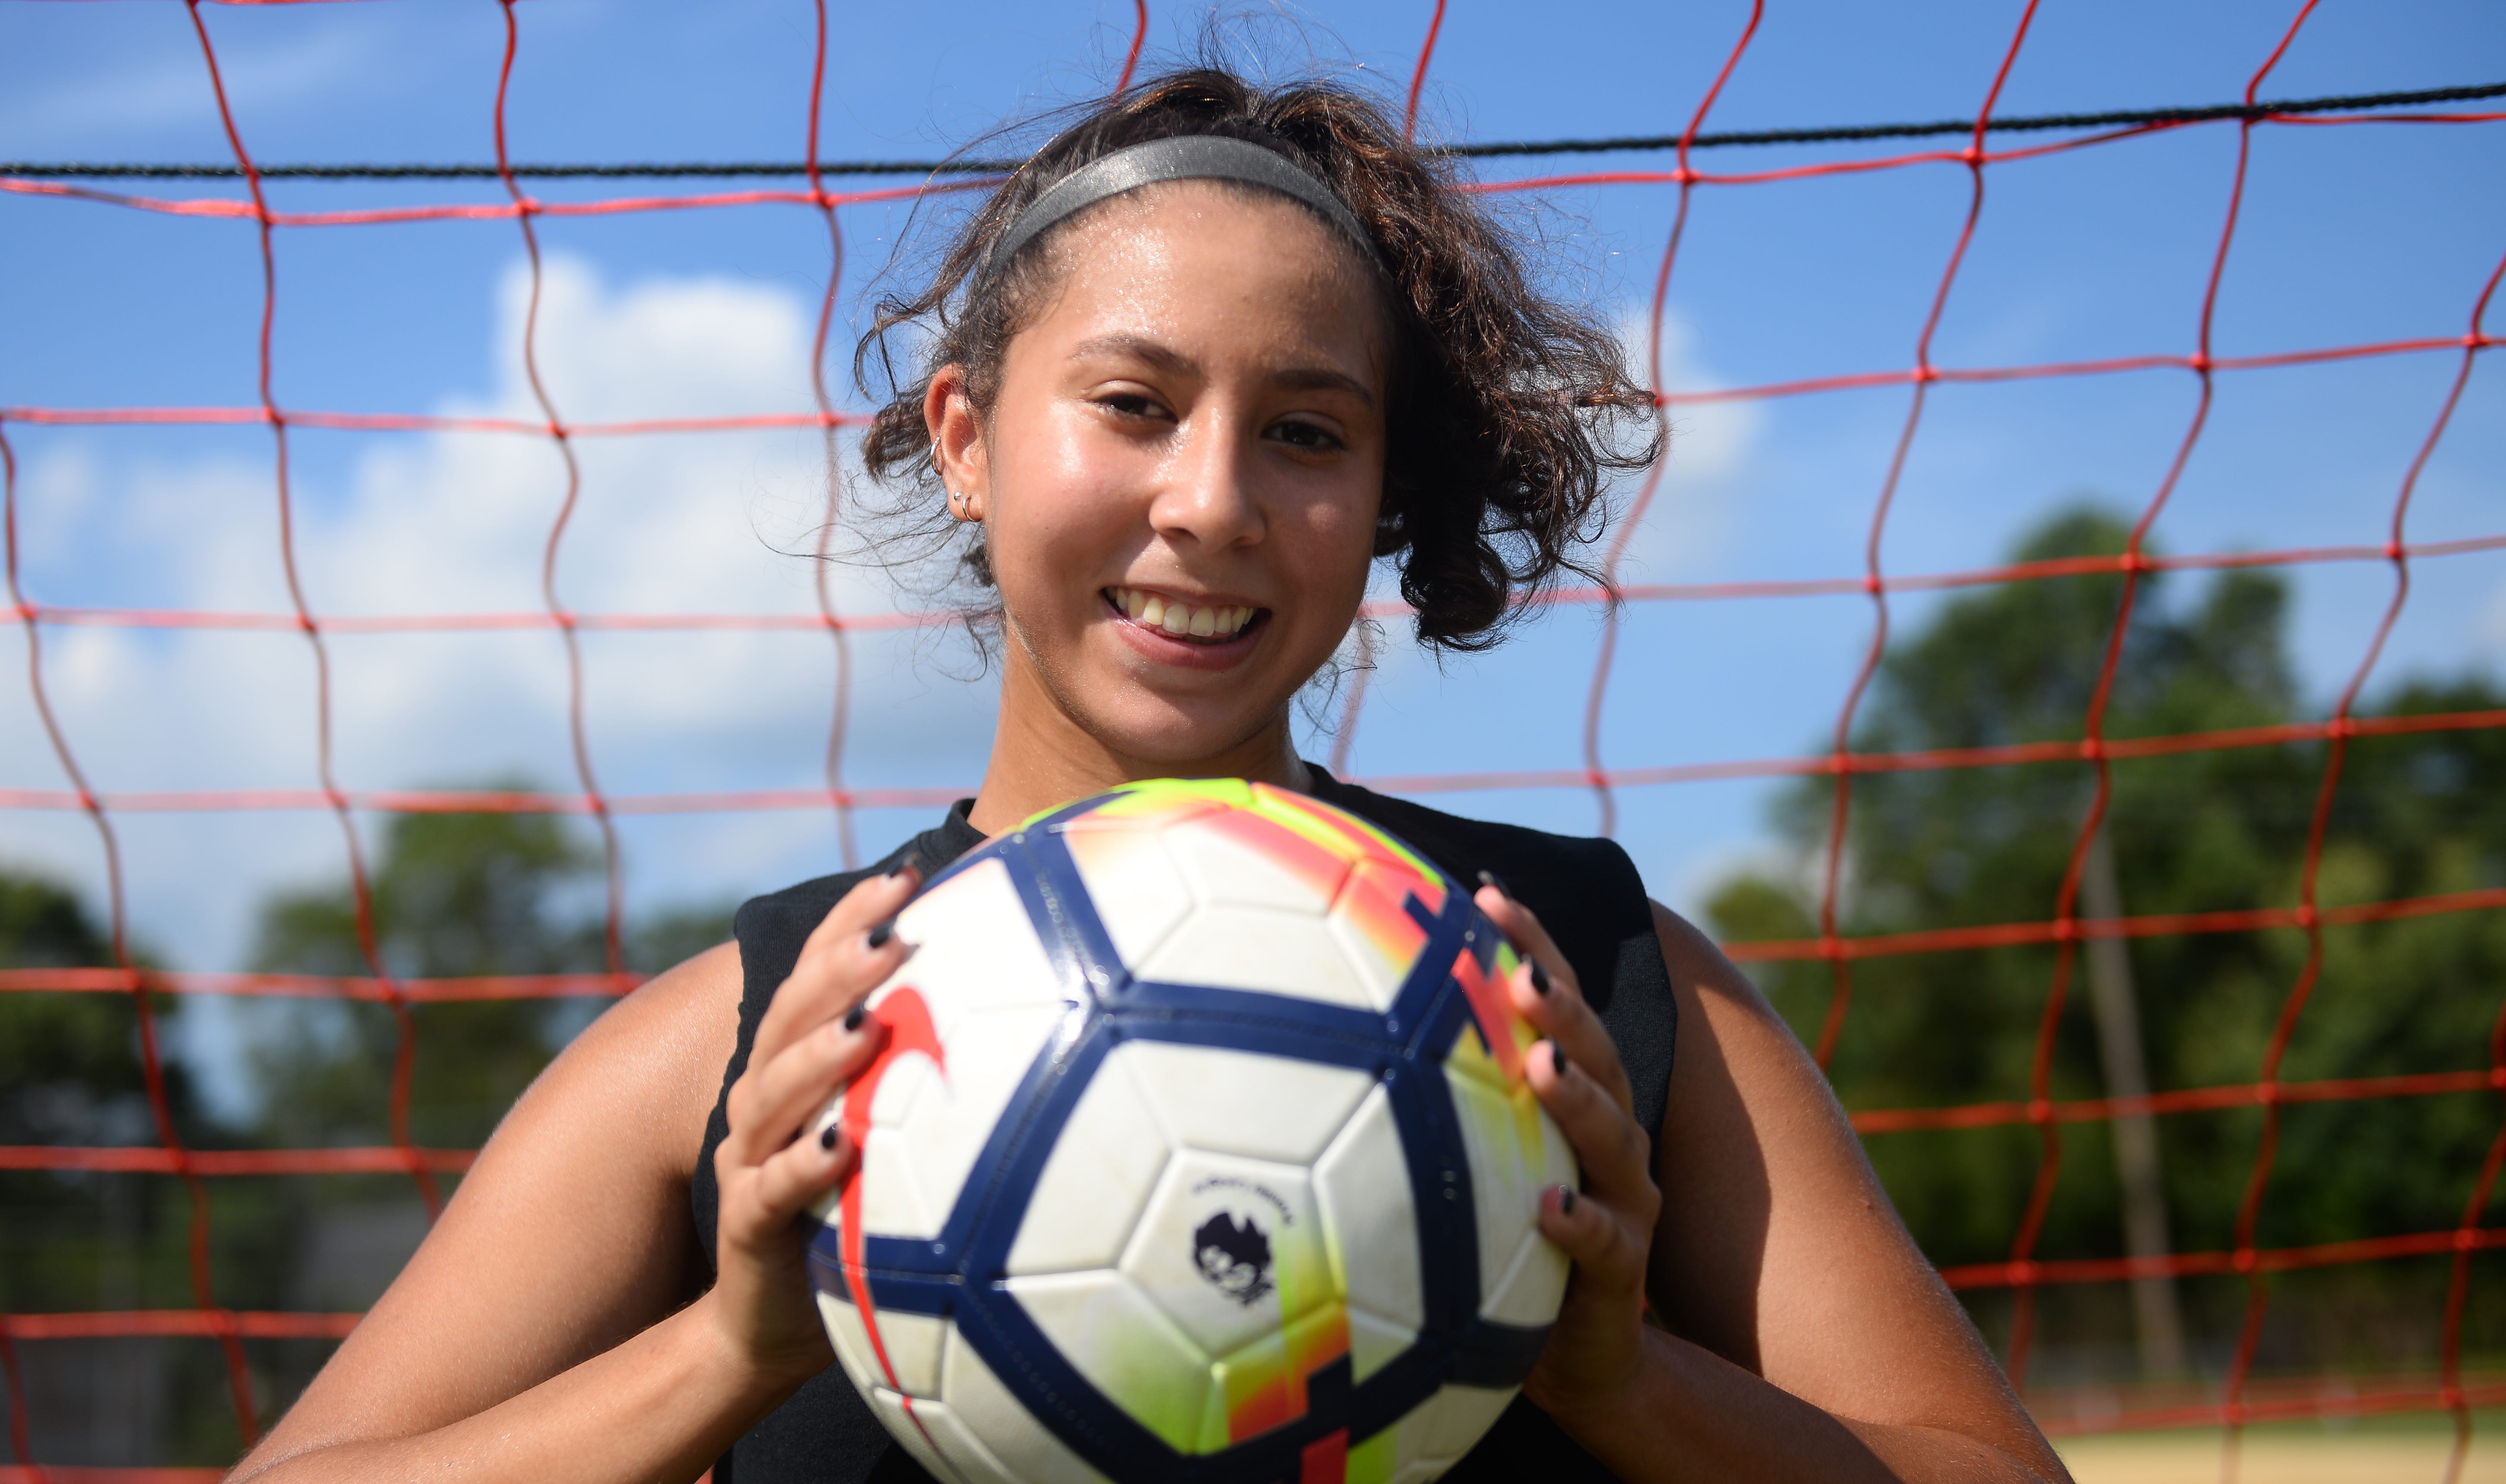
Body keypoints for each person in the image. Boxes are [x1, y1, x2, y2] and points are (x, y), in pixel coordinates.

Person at [233, 66, 2070, 1484]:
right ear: (965, 440)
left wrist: (1624, 1379)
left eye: (1306, 431)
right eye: (1132, 403)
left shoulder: (1585, 975)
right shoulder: (746, 1046)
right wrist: (727, 1352)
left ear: (1384, 494)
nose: (1212, 501)